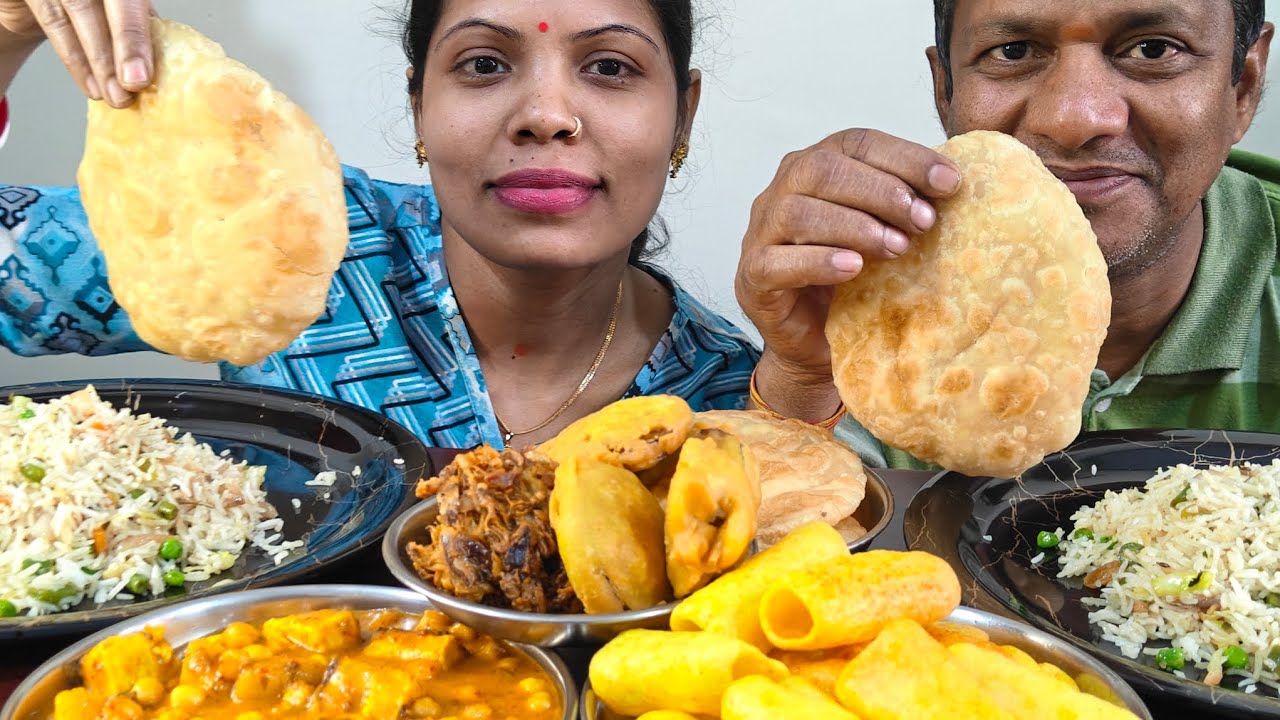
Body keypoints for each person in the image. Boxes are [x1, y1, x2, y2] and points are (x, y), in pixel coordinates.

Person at [0, 0, 760, 449]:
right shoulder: (287, 240)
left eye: (610, 68)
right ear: (418, 106)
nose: (546, 117)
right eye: (485, 65)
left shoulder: (739, 401)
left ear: (682, 117)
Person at [737, 0, 1278, 468]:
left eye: (1154, 49)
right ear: (945, 91)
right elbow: (794, 561)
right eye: (1014, 51)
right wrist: (803, 375)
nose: (1074, 117)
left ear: (1244, 88)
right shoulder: (866, 278)